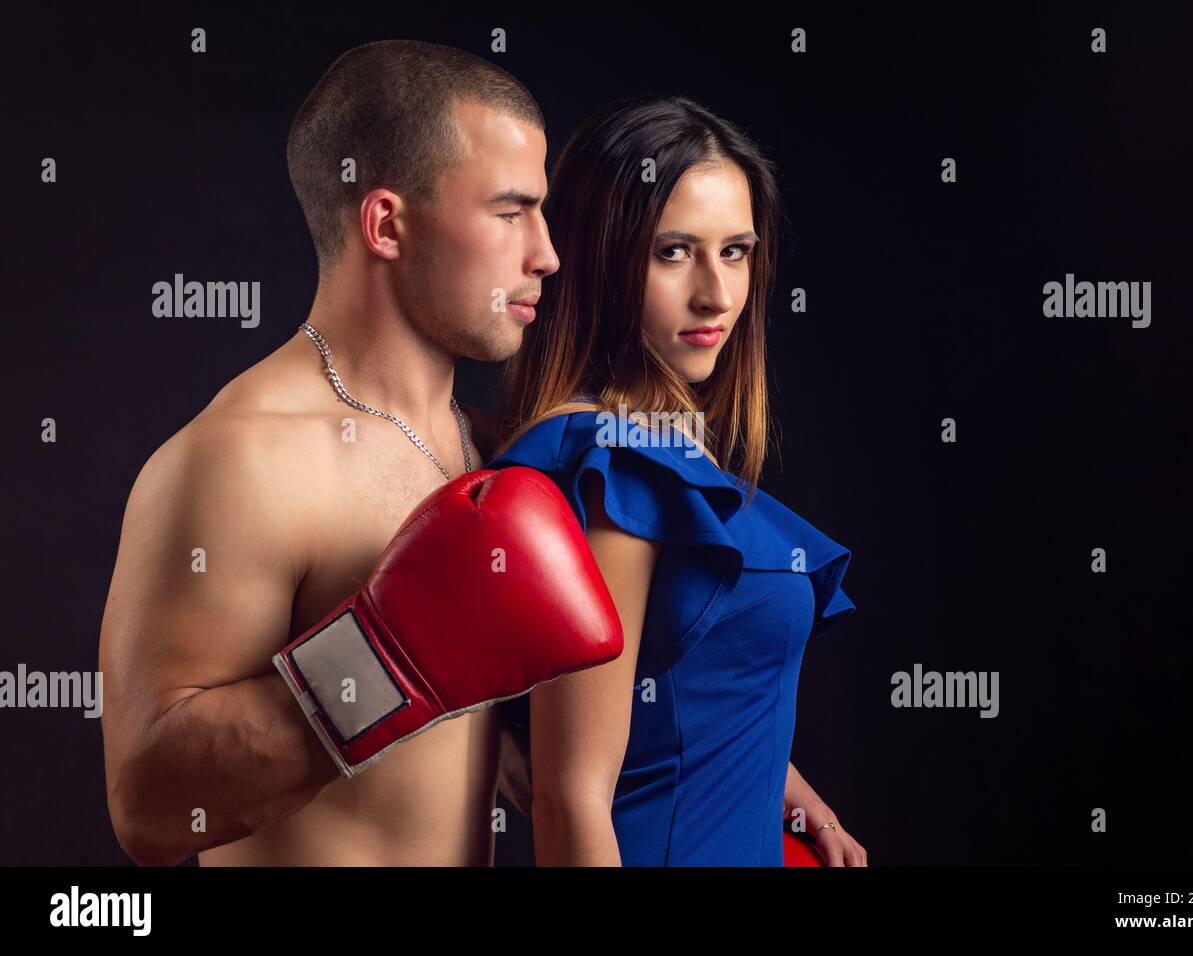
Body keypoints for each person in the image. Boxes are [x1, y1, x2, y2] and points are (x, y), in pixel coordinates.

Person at [97, 39, 608, 866]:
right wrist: (391, 659)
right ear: (386, 224)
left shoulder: (491, 451)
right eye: (511, 212)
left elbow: (481, 769)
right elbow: (149, 804)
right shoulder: (238, 460)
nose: (546, 253)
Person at [487, 95, 869, 866]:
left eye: (735, 251)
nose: (716, 295)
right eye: (673, 252)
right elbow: (572, 795)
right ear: (600, 259)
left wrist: (786, 793)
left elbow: (669, 694)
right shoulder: (614, 467)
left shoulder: (656, 449)